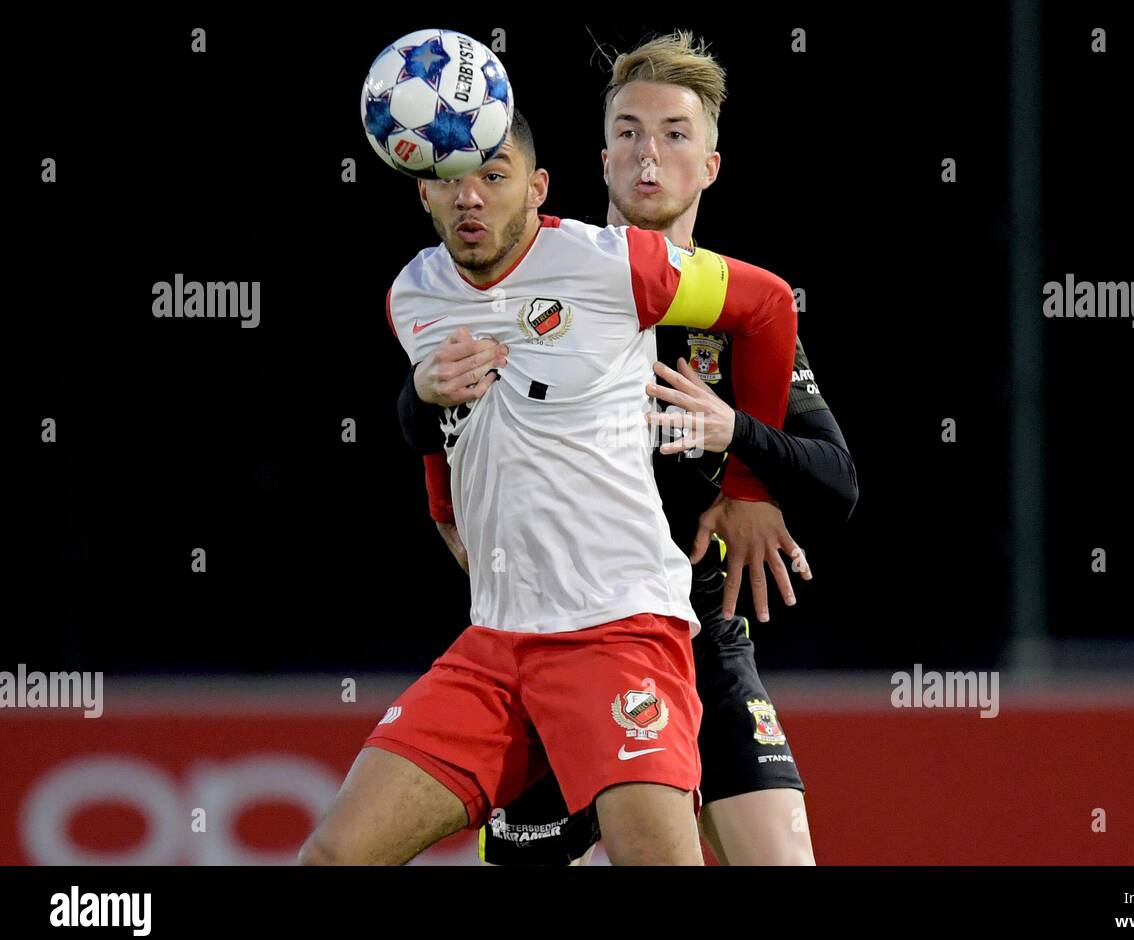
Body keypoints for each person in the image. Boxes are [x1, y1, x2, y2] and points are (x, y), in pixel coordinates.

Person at [299, 101, 800, 865]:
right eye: (452, 180)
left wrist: (751, 487)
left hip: (618, 630)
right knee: (334, 856)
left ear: (536, 189)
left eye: (493, 177)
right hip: (497, 643)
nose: (471, 197)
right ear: (423, 192)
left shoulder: (613, 264)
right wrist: (441, 501)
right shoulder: (413, 294)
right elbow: (444, 406)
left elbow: (766, 306)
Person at [398, 32, 857, 866]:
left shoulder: (735, 317)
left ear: (709, 166)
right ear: (601, 155)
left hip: (698, 636)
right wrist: (428, 448)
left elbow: (838, 480)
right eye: (629, 133)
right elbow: (437, 403)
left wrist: (745, 460)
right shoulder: (544, 276)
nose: (649, 156)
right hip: (559, 632)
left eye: (675, 135)